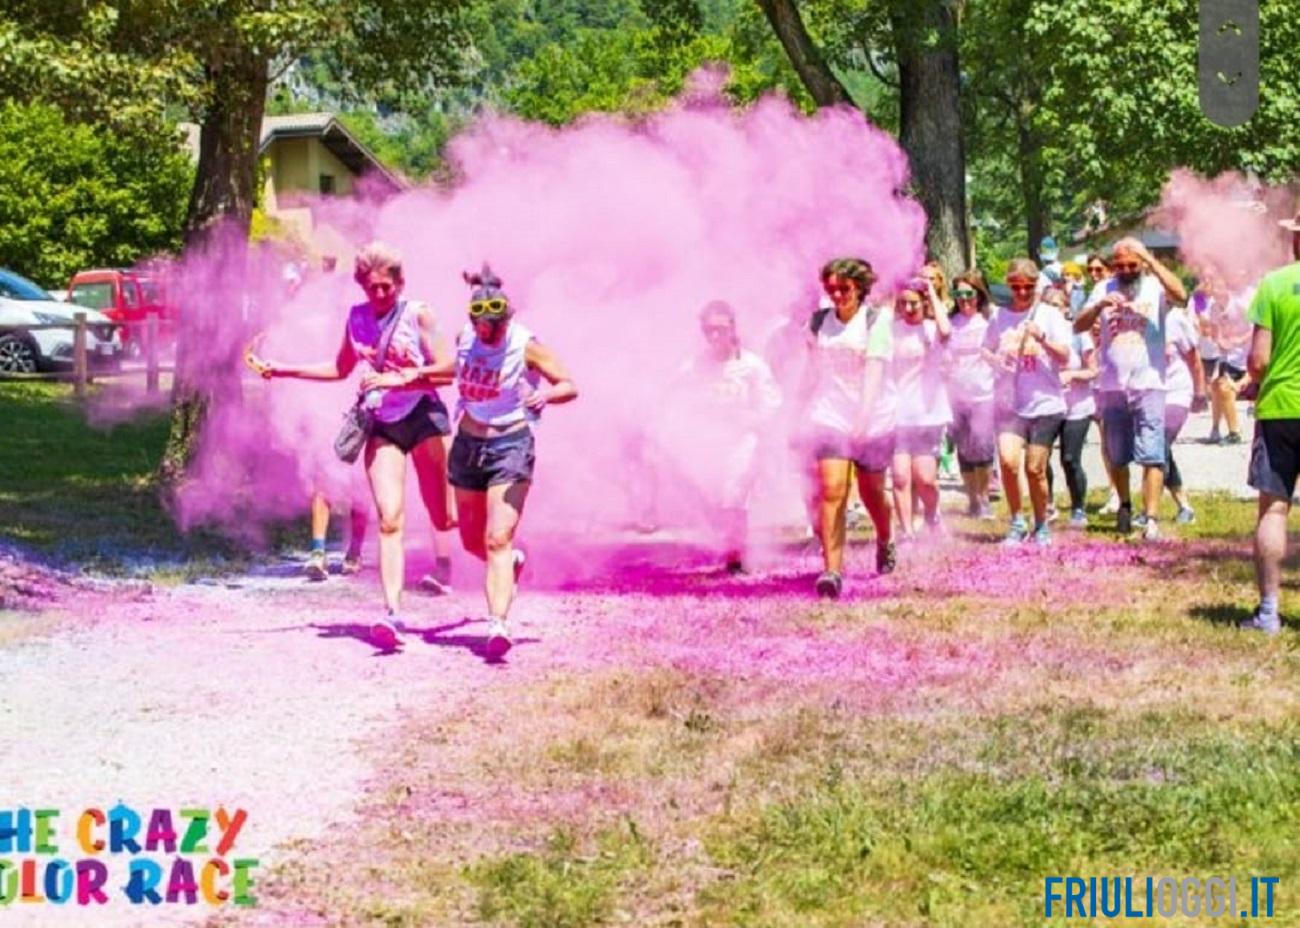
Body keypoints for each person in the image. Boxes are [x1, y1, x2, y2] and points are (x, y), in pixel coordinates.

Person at [254, 242, 457, 650]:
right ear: (361, 285)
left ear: (399, 283)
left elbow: (449, 369)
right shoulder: (357, 318)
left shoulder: (421, 315)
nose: (379, 294)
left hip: (425, 417)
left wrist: (403, 378)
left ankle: (504, 553)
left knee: (445, 515)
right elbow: (341, 368)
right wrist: (285, 370)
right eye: (370, 287)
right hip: (381, 423)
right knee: (389, 519)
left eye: (385, 286)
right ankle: (393, 614)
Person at [449, 265, 578, 660]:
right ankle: (514, 562)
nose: (491, 332)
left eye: (498, 324)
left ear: (508, 316)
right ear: (473, 320)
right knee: (472, 540)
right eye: (484, 325)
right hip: (468, 443)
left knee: (497, 538)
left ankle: (498, 624)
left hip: (511, 444)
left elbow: (569, 384)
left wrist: (545, 397)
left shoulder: (526, 344)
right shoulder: (463, 338)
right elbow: (448, 369)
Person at [1074, 238, 1187, 540]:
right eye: (1120, 265)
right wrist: (1098, 305)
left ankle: (1150, 518)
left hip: (1149, 382)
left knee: (1153, 454)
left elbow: (1182, 294)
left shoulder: (1154, 286)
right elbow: (1078, 325)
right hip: (1112, 384)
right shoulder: (1103, 288)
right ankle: (1124, 505)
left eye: (1132, 265)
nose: (1126, 270)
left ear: (1141, 264)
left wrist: (1151, 261)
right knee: (1117, 454)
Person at [801, 258, 895, 599]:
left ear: (860, 288)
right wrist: (795, 410)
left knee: (872, 494)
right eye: (831, 289)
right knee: (832, 489)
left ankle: (885, 536)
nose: (838, 295)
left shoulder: (876, 321)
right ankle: (832, 571)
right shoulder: (816, 323)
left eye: (845, 288)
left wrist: (863, 419)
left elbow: (874, 374)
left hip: (875, 417)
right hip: (828, 414)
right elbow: (812, 373)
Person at [663, 301, 782, 572]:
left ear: (732, 328)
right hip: (707, 443)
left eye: (719, 329)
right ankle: (729, 545)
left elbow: (772, 403)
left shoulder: (752, 365)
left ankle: (735, 557)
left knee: (734, 495)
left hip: (743, 442)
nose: (714, 336)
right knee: (714, 500)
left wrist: (753, 422)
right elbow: (673, 398)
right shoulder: (693, 366)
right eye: (708, 330)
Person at [983, 257, 1073, 546]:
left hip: (1045, 401)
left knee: (1035, 468)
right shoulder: (999, 317)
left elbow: (1065, 356)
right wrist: (996, 359)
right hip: (1009, 399)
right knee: (1009, 463)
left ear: (1037, 285)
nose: (1022, 293)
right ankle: (1017, 521)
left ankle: (1041, 523)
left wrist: (1043, 338)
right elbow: (985, 349)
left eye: (1028, 287)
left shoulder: (1049, 314)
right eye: (1016, 287)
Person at [1242, 212, 1300, 635]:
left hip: (1280, 407)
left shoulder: (1275, 284)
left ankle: (1268, 613)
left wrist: (1252, 382)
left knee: (1274, 508)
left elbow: (1258, 361)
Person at [890, 278, 951, 538]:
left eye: (913, 303)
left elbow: (946, 331)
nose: (908, 308)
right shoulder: (892, 330)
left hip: (928, 413)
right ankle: (907, 533)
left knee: (925, 479)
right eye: (903, 303)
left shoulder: (930, 329)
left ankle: (933, 515)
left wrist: (931, 293)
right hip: (897, 414)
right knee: (901, 477)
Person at [947, 271, 997, 518]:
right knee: (964, 449)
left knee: (983, 447)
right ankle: (972, 500)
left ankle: (985, 497)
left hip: (983, 394)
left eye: (969, 294)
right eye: (958, 294)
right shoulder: (950, 322)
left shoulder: (989, 319)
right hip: (955, 395)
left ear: (979, 294)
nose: (964, 299)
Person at [1160, 300, 1206, 524]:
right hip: (1148, 393)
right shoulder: (1135, 318)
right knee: (1156, 450)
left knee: (1159, 444)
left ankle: (1150, 513)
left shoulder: (1175, 319)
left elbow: (1194, 357)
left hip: (1177, 391)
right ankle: (1184, 505)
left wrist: (1200, 392)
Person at [1058, 301, 1098, 528]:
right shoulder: (1037, 334)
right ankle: (1048, 505)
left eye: (1060, 307)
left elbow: (1093, 370)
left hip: (1077, 406)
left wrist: (1072, 375)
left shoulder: (1079, 335)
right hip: (1049, 406)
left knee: (1070, 459)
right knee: (1038, 459)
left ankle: (1078, 508)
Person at [1210, 283, 1253, 445]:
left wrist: (1239, 340)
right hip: (1227, 357)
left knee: (1225, 388)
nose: (1216, 291)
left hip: (1245, 357)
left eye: (1218, 287)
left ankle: (1234, 432)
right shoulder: (1214, 308)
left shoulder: (1240, 305)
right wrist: (1220, 341)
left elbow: (1256, 327)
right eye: (1213, 288)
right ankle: (1216, 428)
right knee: (1216, 387)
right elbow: (1214, 331)